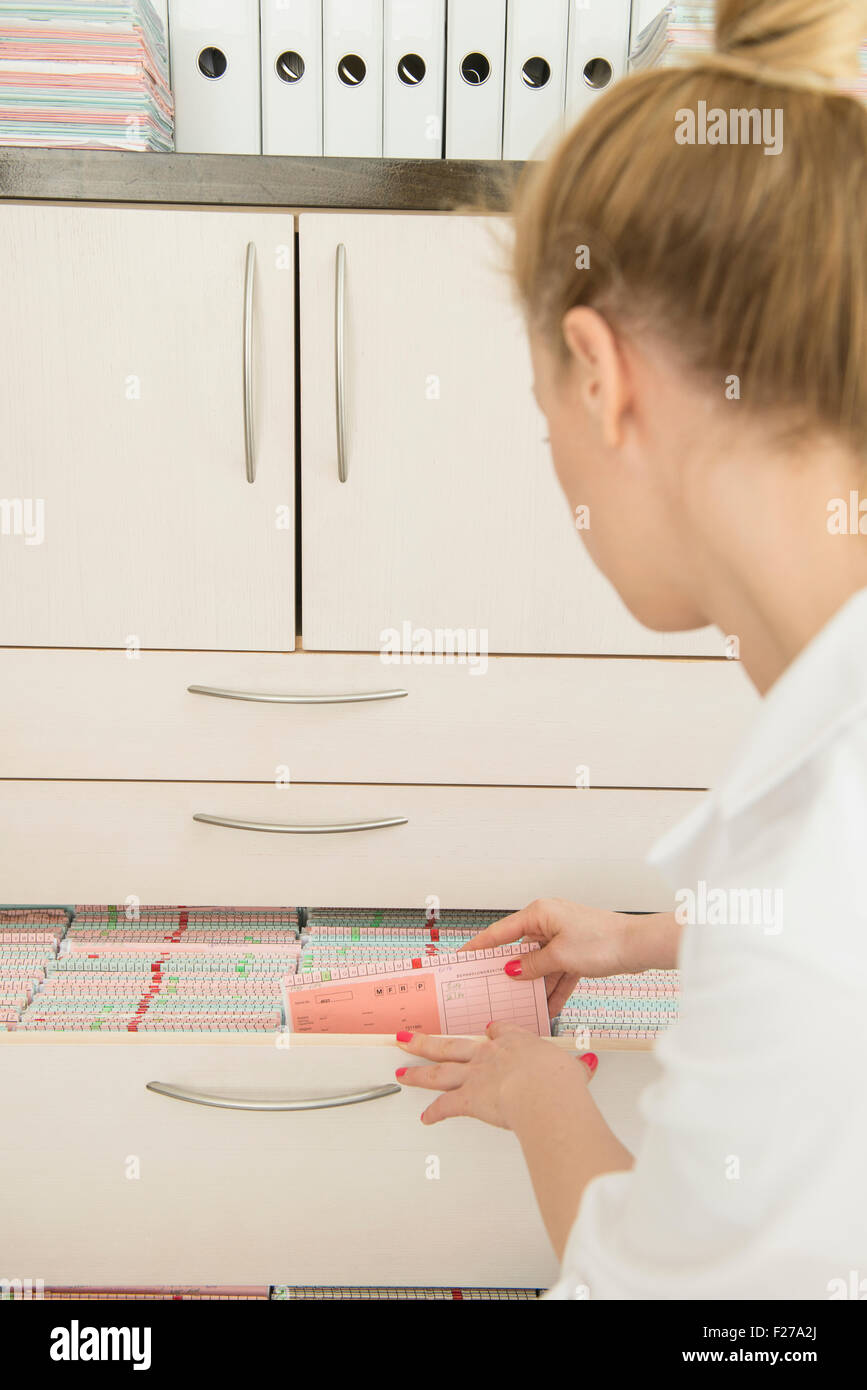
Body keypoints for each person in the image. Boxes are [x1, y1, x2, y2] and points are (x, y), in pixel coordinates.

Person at [394, 0, 867, 1299]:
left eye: (542, 410)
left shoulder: (813, 886)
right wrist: (653, 939)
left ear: (600, 376)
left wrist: (541, 1091)